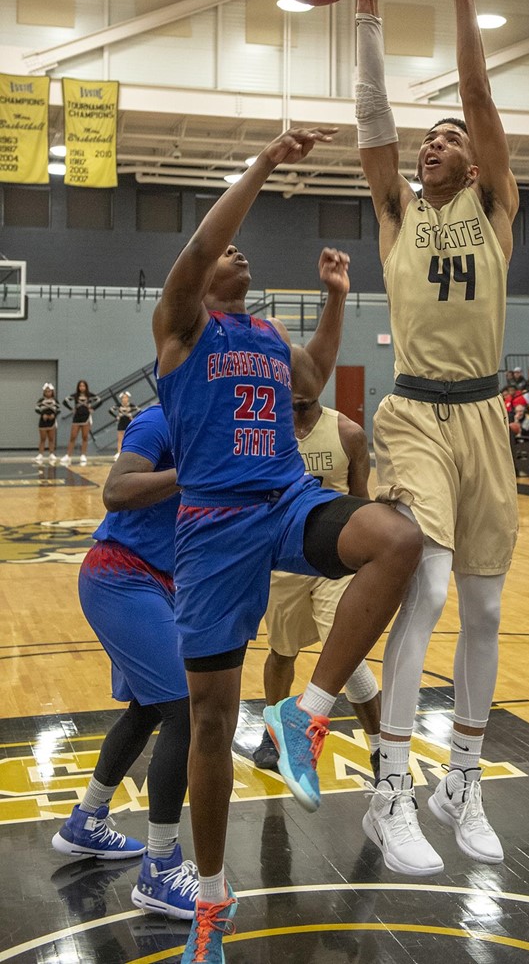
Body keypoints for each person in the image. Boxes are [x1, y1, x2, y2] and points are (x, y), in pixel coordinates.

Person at [151, 126, 422, 964]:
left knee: (397, 539)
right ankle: (210, 898)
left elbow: (316, 373)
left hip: (285, 499)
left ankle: (307, 715)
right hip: (212, 527)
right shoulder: (181, 327)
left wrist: (338, 295)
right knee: (207, 719)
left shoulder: (267, 338)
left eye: (240, 253)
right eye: (230, 252)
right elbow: (199, 244)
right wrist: (266, 161)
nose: (239, 257)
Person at [353, 0, 519, 877]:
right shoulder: (397, 213)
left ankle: (464, 778)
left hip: (487, 419)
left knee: (487, 614)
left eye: (448, 137)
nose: (436, 142)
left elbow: (482, 99)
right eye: (431, 140)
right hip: (416, 410)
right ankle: (391, 789)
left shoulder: (495, 205)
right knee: (429, 585)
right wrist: (368, 9)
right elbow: (374, 120)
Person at [52, 405, 199, 921]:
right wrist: (194, 470)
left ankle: (85, 820)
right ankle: (160, 869)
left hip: (157, 582)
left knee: (149, 709)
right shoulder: (160, 420)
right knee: (185, 710)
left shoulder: (219, 422)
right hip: (121, 575)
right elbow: (115, 490)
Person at [253, 362, 381, 778]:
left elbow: (361, 502)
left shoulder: (348, 434)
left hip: (334, 560)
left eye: (305, 402)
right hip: (283, 559)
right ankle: (272, 731)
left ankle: (381, 747)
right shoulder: (265, 433)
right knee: (282, 651)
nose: (297, 409)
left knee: (350, 654)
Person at [61, 379, 101, 465]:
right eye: (80, 386)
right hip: (76, 418)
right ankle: (68, 455)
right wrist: (71, 409)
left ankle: (83, 455)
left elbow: (99, 400)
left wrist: (93, 409)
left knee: (85, 437)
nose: (82, 387)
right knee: (73, 436)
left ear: (86, 387)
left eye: (83, 386)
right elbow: (65, 401)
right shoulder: (75, 395)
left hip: (86, 417)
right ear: (78, 387)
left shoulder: (89, 395)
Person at [109, 391, 141, 459]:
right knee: (120, 438)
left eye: (126, 397)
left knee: (130, 436)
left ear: (128, 398)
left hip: (129, 422)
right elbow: (110, 410)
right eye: (123, 398)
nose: (125, 399)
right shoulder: (118, 405)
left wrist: (133, 417)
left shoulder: (131, 405)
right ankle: (119, 452)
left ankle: (131, 452)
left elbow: (139, 410)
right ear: (121, 399)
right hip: (121, 422)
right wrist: (116, 416)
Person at [35, 382, 60, 464]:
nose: (48, 393)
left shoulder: (55, 400)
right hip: (43, 421)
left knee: (51, 438)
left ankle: (51, 453)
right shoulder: (41, 400)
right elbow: (36, 409)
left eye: (49, 391)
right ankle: (40, 454)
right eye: (46, 391)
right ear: (44, 392)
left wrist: (54, 415)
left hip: (52, 421)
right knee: (42, 439)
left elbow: (58, 409)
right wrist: (43, 415)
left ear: (52, 392)